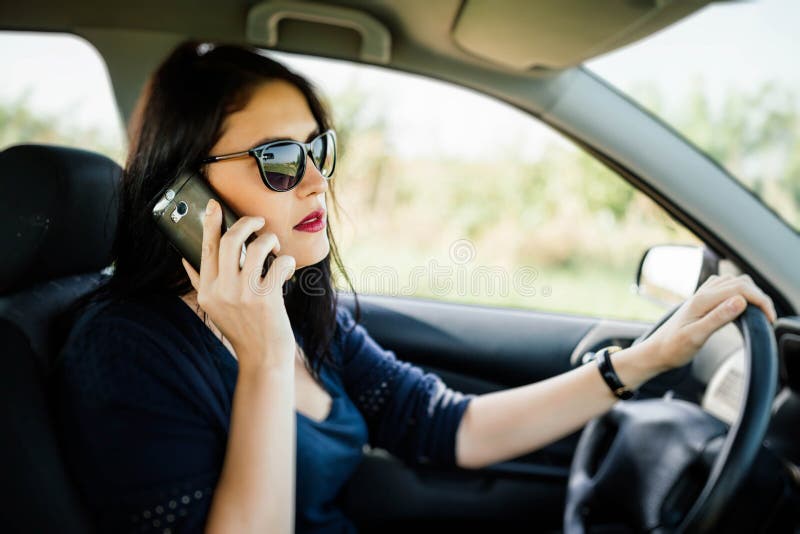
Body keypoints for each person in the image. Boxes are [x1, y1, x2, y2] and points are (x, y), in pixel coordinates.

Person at [52, 40, 778, 534]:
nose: (313, 179)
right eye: (277, 159)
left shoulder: (304, 311)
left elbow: (448, 426)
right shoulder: (124, 352)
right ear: (187, 190)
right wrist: (266, 361)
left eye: (318, 148)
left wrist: (644, 360)